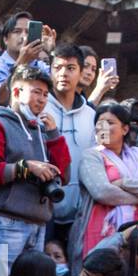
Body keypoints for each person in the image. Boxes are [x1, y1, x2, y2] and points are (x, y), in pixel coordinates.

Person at [0, 65, 70, 276]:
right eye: (36, 92)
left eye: (46, 94)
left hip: (38, 225)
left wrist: (54, 135)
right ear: (17, 92)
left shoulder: (42, 130)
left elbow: (64, 175)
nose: (42, 100)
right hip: (4, 224)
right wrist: (25, 168)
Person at [69, 102, 138, 270]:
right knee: (97, 273)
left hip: (136, 226)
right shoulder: (91, 155)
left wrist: (123, 183)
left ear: (125, 129)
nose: (103, 127)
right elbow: (103, 192)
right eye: (99, 123)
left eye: (110, 123)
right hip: (99, 227)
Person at [46, 44, 97, 223]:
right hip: (43, 206)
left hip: (79, 211)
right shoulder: (39, 107)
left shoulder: (91, 115)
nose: (63, 73)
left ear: (81, 72)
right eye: (57, 68)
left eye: (71, 68)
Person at [0, 11, 54, 111]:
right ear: (5, 39)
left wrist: (51, 52)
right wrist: (22, 63)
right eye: (17, 31)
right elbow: (1, 98)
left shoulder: (41, 66)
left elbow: (59, 90)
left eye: (28, 32)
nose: (23, 36)